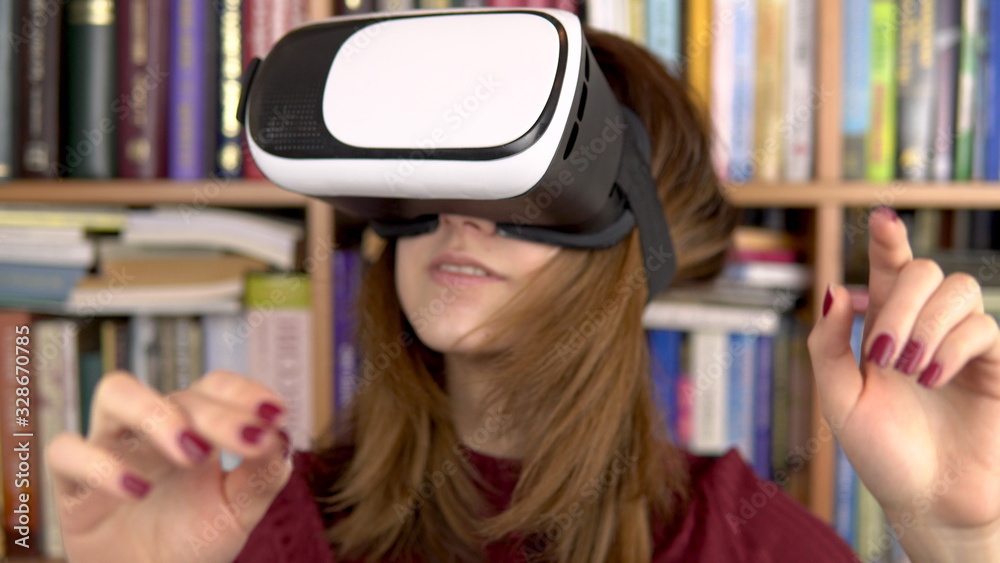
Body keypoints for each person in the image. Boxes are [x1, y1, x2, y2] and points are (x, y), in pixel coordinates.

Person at [46, 25, 1000, 563]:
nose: (466, 213)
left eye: (532, 183)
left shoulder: (747, 545)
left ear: (641, 241)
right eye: (439, 173)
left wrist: (963, 536)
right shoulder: (247, 521)